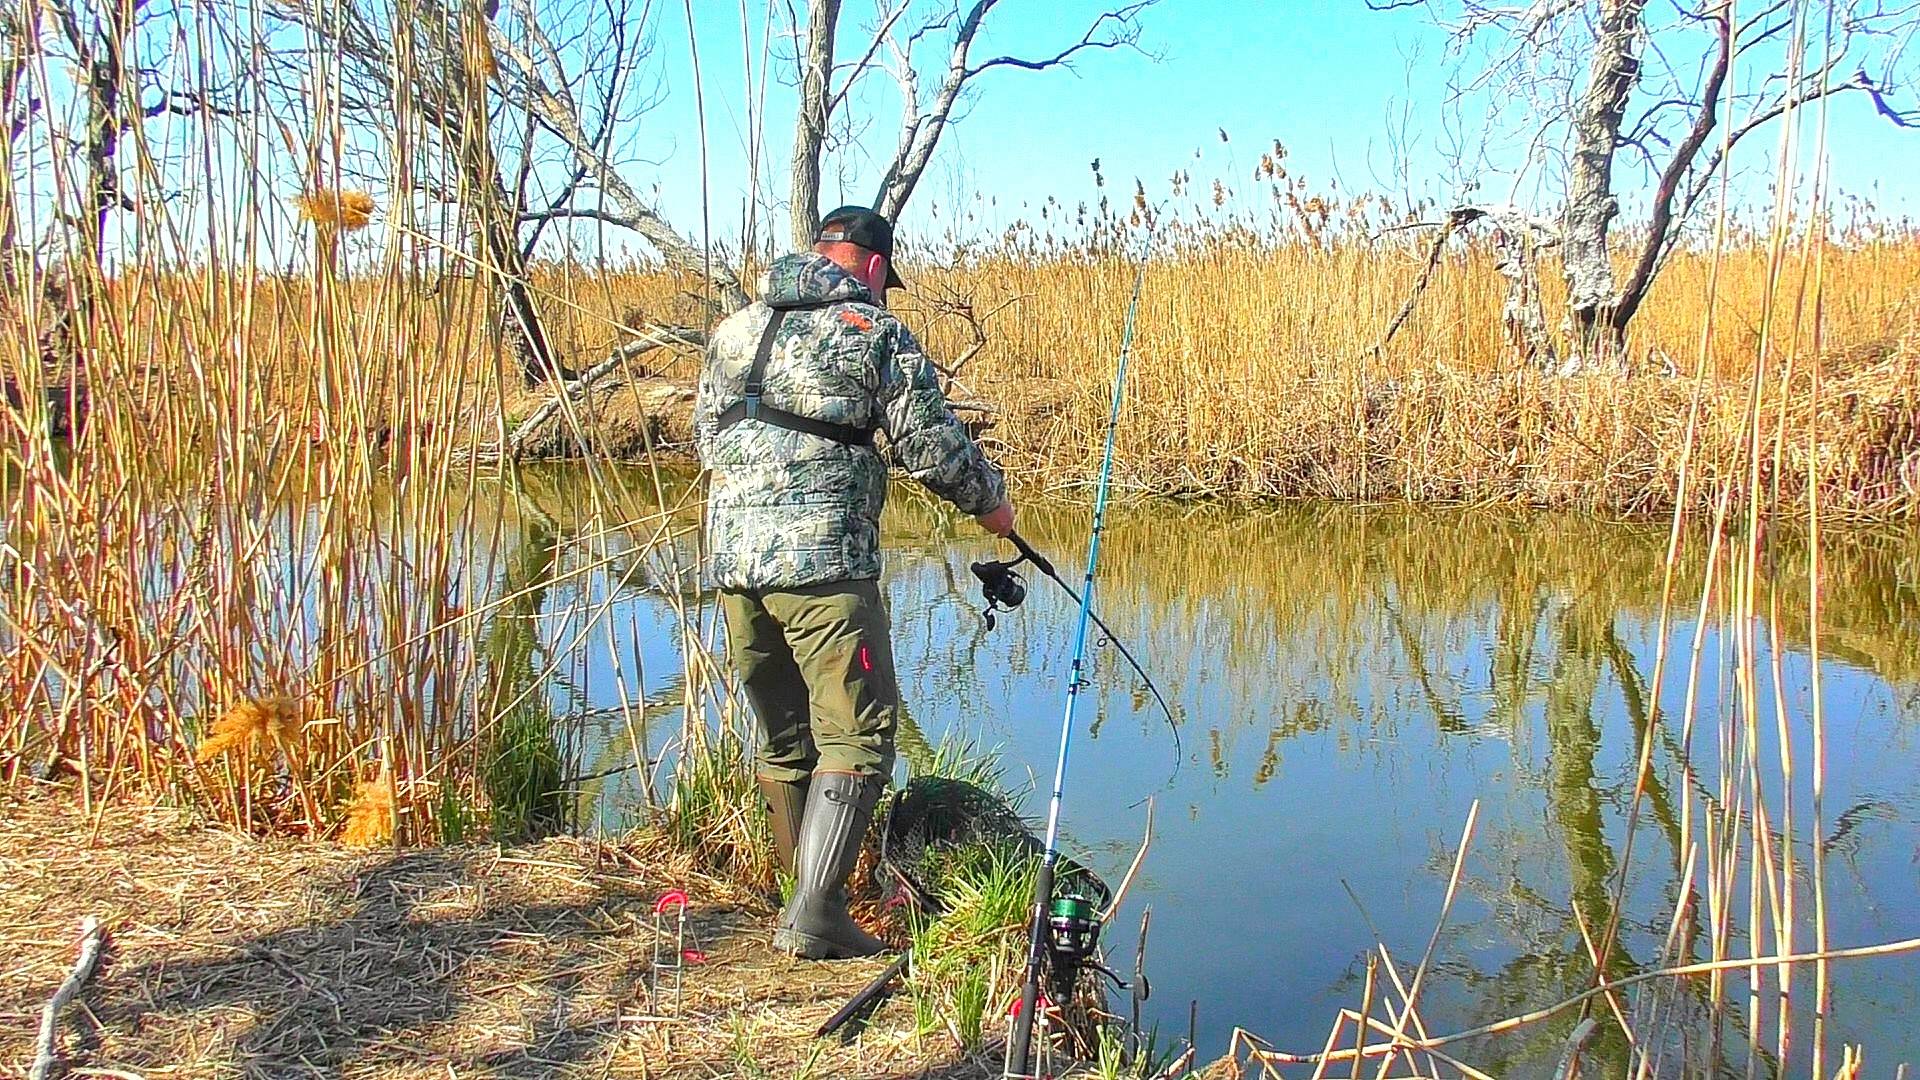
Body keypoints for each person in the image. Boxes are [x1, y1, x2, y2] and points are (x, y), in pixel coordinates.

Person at [693, 206, 1015, 959]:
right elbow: (931, 447)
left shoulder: (735, 330)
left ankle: (799, 897)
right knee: (861, 733)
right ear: (871, 266)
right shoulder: (875, 333)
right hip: (825, 568)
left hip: (734, 567)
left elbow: (707, 436)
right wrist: (994, 507)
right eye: (884, 279)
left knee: (785, 736)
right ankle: (816, 912)